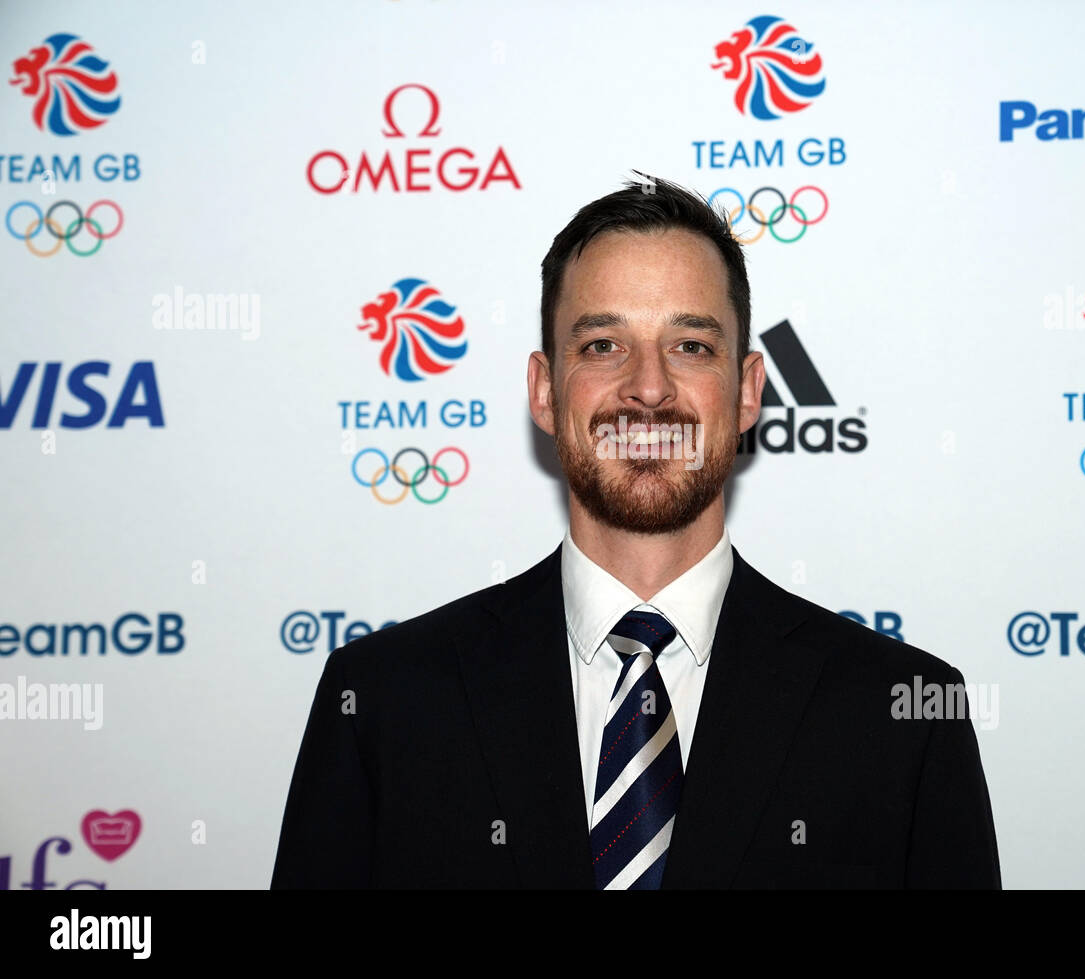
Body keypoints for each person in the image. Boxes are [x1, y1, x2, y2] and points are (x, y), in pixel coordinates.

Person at [270, 173, 1001, 889]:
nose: (648, 388)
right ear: (543, 391)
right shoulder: (382, 702)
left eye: (691, 345)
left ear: (748, 392)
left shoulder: (904, 714)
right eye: (602, 345)